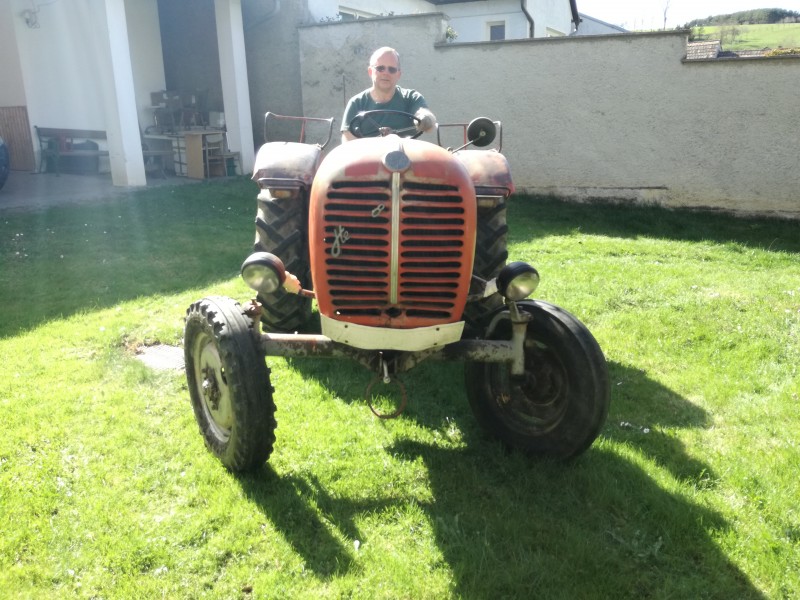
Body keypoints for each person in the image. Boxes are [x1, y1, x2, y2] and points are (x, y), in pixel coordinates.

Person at [341, 47, 436, 143]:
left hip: (406, 155)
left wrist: (425, 119)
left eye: (392, 69)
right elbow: (348, 140)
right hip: (368, 156)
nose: (386, 73)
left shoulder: (411, 98)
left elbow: (424, 115)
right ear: (370, 72)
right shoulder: (357, 103)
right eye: (380, 68)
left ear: (398, 74)